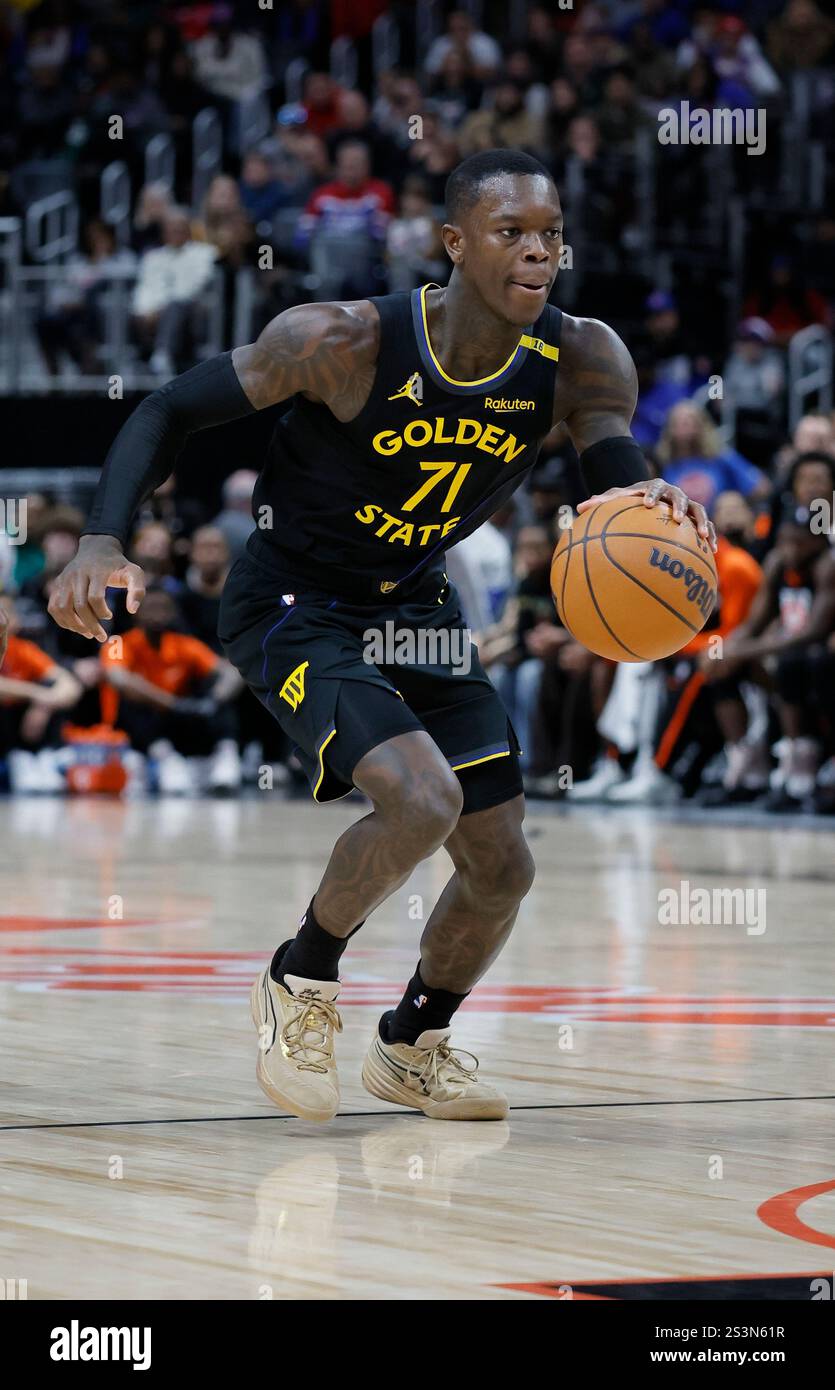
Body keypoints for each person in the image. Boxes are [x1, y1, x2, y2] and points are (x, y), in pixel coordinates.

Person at [49, 149, 714, 1126]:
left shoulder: (581, 357)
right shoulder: (342, 340)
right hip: (294, 599)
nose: (539, 251)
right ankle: (299, 975)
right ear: (453, 243)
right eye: (510, 232)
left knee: (504, 864)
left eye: (550, 232)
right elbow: (170, 408)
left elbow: (610, 468)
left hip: (416, 604)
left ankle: (411, 1043)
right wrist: (101, 535)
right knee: (421, 800)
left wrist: (654, 519)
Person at [98, 584, 243, 795]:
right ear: (136, 611)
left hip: (177, 718)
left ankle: (226, 757)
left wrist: (214, 699)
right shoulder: (119, 643)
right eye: (151, 607)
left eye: (163, 608)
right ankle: (165, 760)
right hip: (138, 724)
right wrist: (168, 701)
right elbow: (118, 678)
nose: (158, 614)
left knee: (213, 695)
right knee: (132, 702)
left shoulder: (183, 644)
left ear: (172, 613)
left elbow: (230, 673)